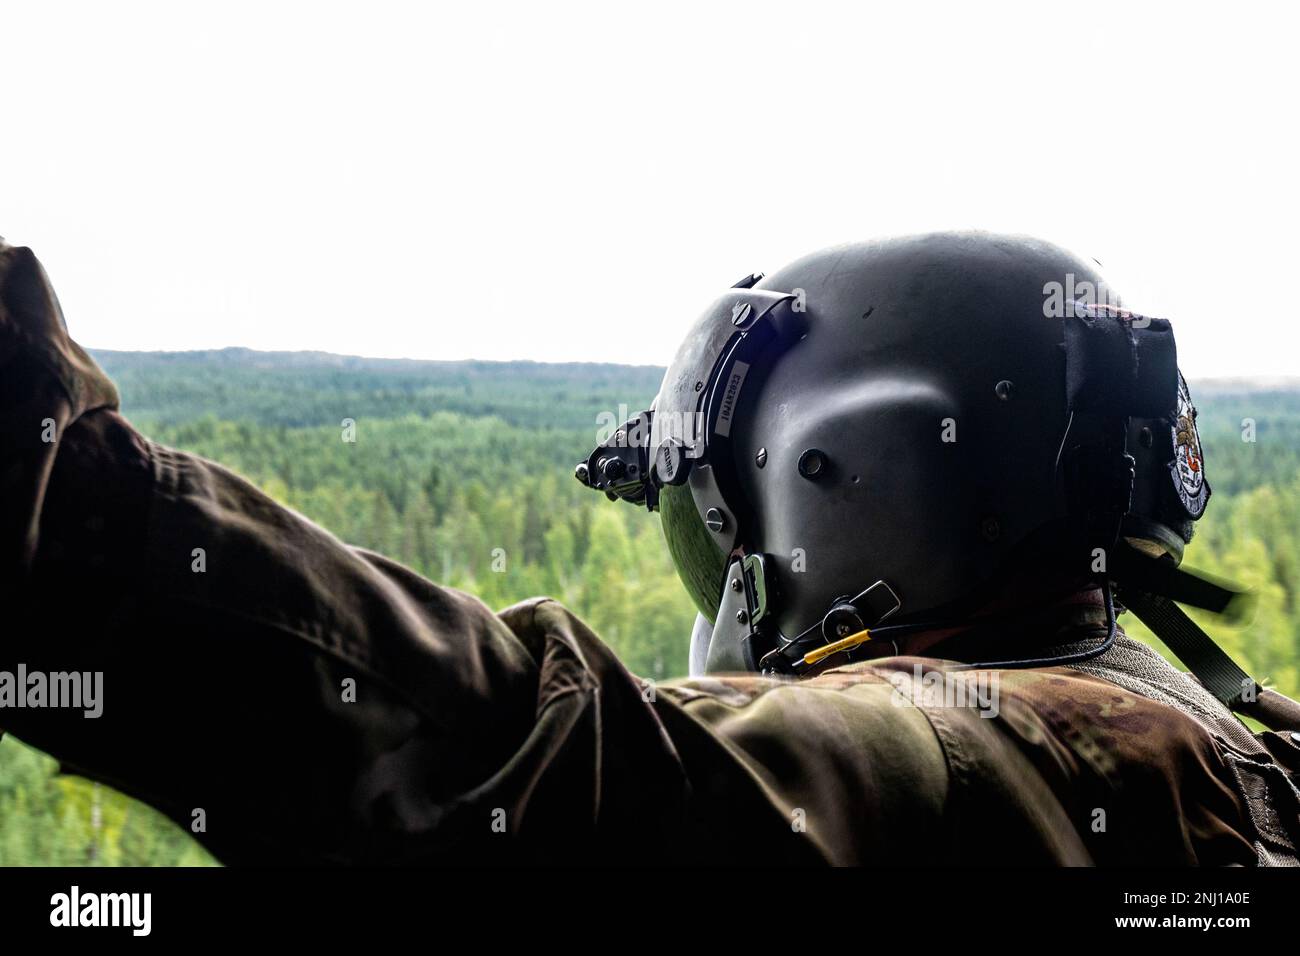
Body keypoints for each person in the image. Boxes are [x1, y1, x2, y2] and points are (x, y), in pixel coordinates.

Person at [1, 233, 1298, 866]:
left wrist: (52, 482)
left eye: (713, 501)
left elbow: (542, 777)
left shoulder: (993, 761)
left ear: (834, 479)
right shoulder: (1231, 746)